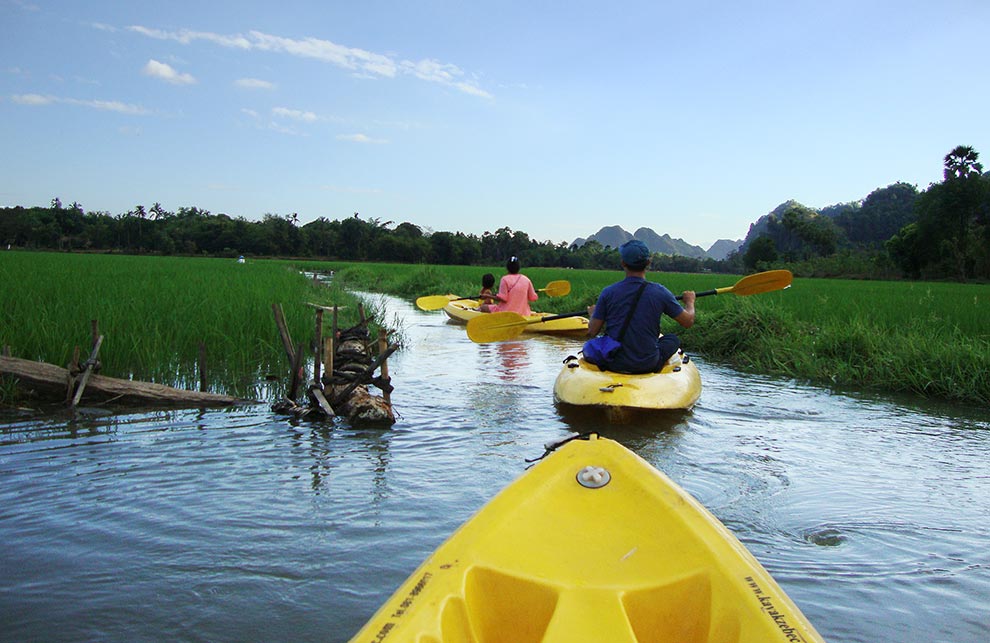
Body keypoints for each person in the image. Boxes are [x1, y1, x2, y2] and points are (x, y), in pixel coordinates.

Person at [585, 240, 696, 373]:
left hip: (615, 362)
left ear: (623, 263)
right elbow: (688, 321)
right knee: (672, 339)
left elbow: (592, 331)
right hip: (647, 363)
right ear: (648, 263)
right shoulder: (660, 292)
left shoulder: (608, 292)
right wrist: (690, 302)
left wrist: (593, 314)